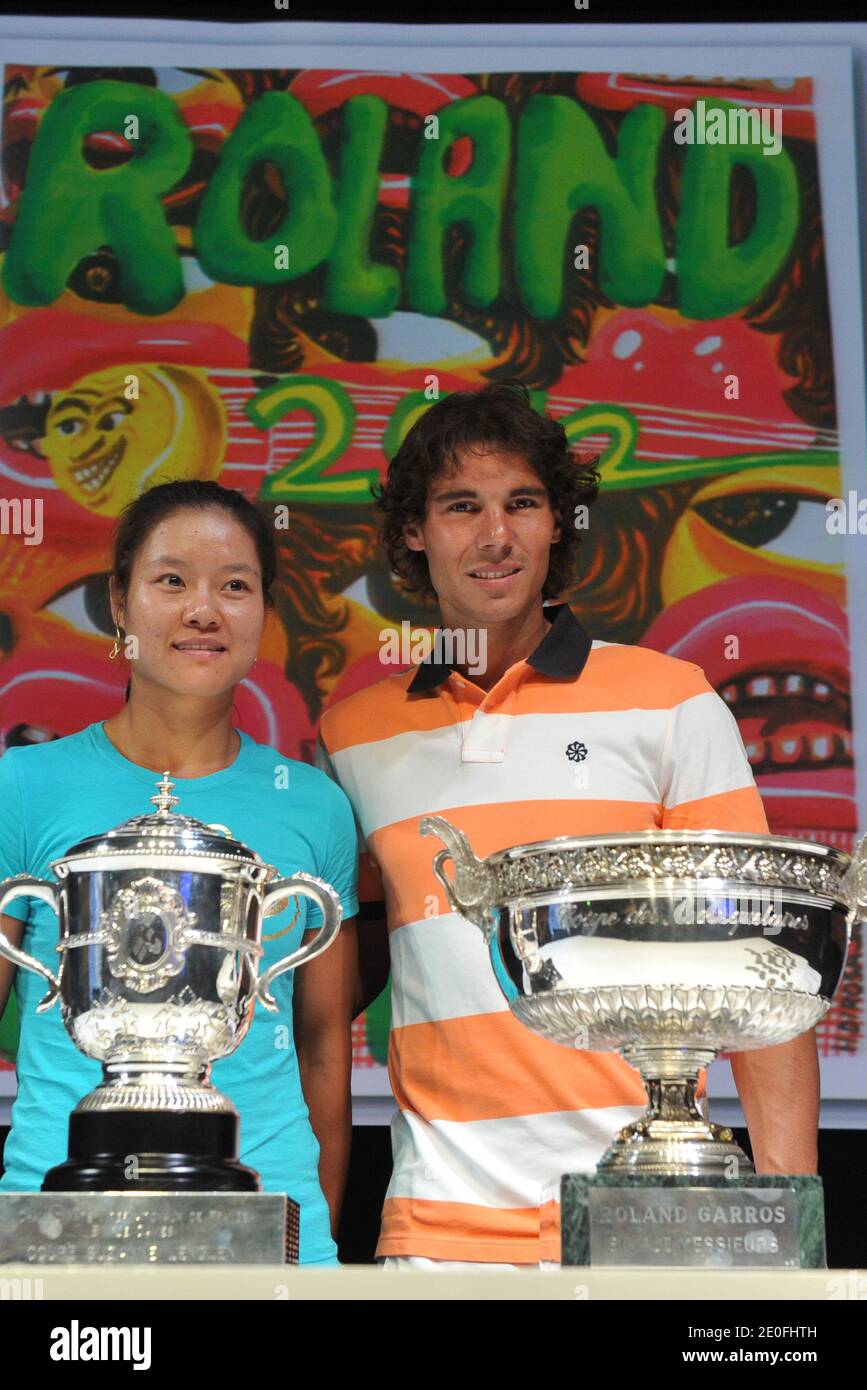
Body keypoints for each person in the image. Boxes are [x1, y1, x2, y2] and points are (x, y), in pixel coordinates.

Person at [317, 381, 819, 1269]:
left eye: (522, 503)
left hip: (649, 1213)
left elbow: (764, 971)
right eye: (460, 506)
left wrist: (793, 1238)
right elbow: (327, 984)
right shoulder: (352, 735)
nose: (495, 535)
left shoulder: (671, 700)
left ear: (558, 524)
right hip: (437, 1233)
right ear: (411, 531)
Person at [0, 479, 358, 1266]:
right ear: (119, 606)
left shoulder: (315, 807)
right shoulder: (23, 787)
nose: (204, 610)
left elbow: (324, 1051)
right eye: (171, 581)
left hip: (269, 1223)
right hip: (54, 1224)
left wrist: (309, 1234)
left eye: (235, 586)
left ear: (264, 614)